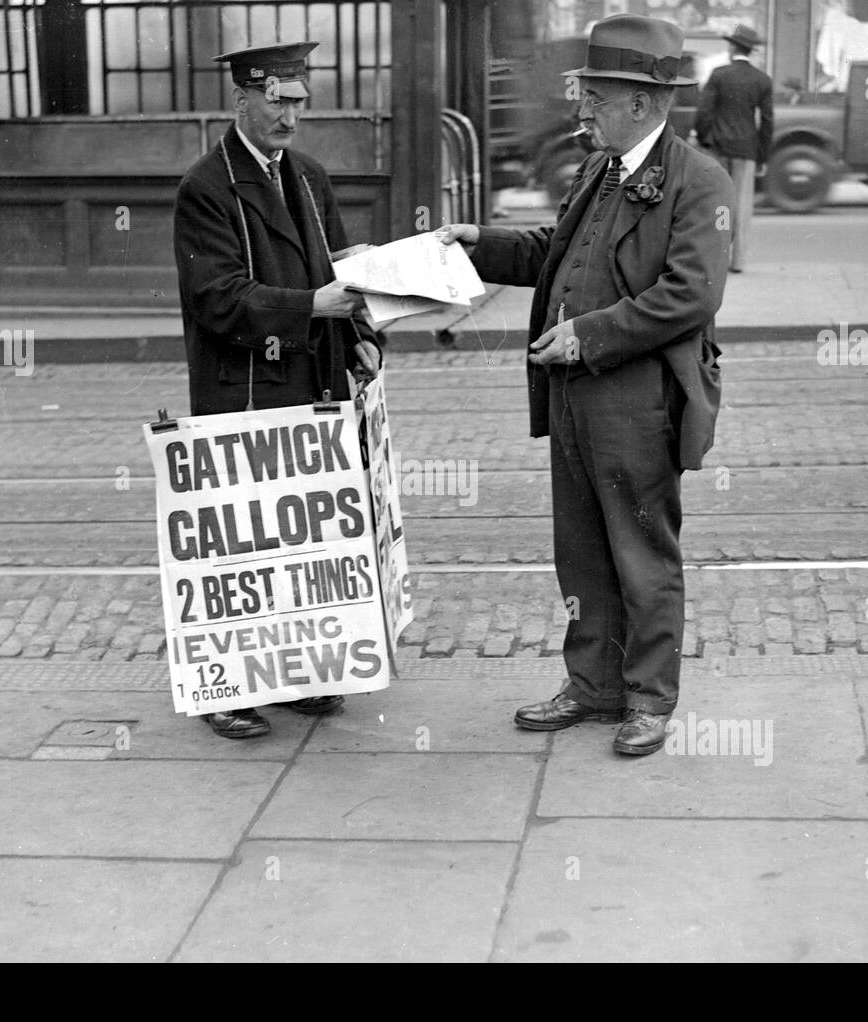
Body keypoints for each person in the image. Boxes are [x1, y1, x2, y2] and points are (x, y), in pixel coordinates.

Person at [439, 14, 732, 757]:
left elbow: (690, 296)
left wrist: (588, 334)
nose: (582, 108)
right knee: (581, 549)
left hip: (638, 400)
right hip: (571, 393)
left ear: (640, 103)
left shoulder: (699, 181)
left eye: (595, 96)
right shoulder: (598, 169)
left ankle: (648, 698)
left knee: (641, 550)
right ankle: (592, 684)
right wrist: (480, 247)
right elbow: (553, 253)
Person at [172, 40, 382, 740]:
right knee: (238, 543)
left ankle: (292, 675)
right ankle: (222, 687)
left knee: (301, 539)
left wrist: (362, 340)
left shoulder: (310, 177)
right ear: (242, 100)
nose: (292, 115)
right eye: (279, 101)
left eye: (301, 101)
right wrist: (310, 309)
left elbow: (338, 278)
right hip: (246, 387)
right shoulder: (208, 187)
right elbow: (218, 299)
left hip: (311, 382)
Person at [695, 24, 772, 273]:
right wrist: (763, 156)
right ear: (750, 51)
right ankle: (737, 261)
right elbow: (768, 121)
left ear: (731, 47)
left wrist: (705, 138)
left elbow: (704, 112)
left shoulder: (718, 74)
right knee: (741, 205)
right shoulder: (762, 80)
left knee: (719, 204)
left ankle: (717, 258)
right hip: (746, 150)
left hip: (718, 148)